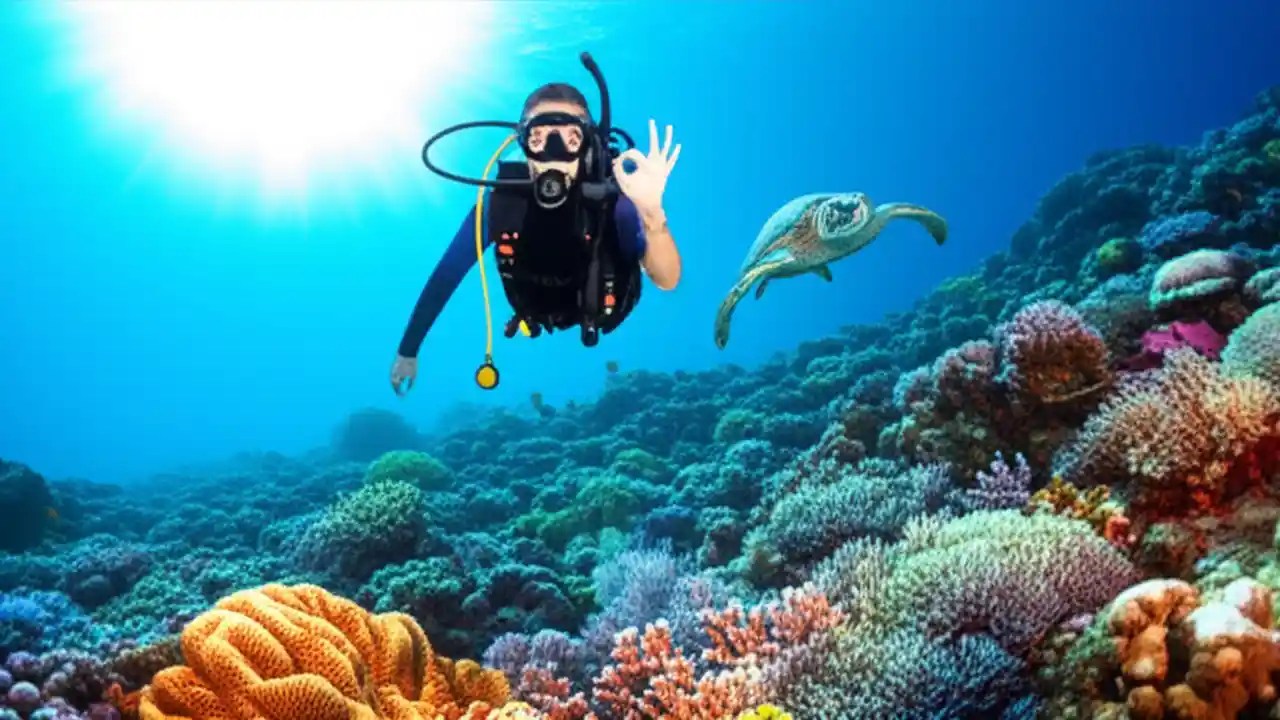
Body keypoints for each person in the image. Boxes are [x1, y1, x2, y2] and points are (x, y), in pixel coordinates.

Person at [390, 82, 683, 396]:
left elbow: (667, 280)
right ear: (522, 144)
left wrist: (652, 212)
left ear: (588, 144)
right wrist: (408, 350)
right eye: (539, 138)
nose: (553, 155)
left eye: (571, 139)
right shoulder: (498, 205)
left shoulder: (618, 203)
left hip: (602, 311)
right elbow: (447, 274)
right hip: (535, 311)